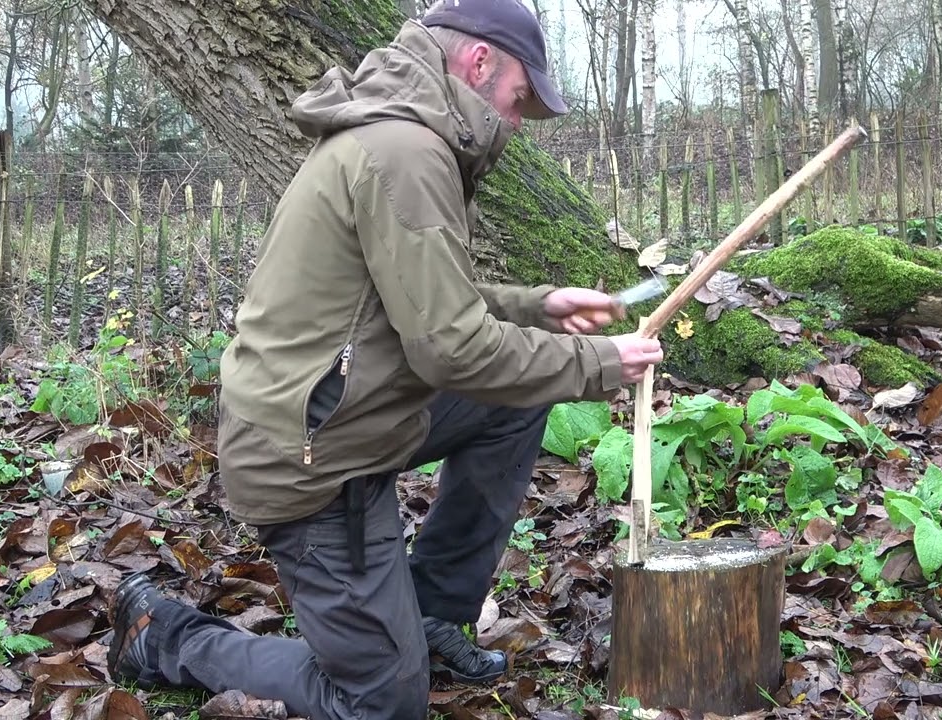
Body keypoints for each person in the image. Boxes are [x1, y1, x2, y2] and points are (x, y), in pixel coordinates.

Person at [103, 1, 664, 718]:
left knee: (518, 395)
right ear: (479, 63)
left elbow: (410, 299)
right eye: (521, 99)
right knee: (381, 704)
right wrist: (599, 362)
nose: (519, 122)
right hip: (306, 456)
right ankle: (166, 637)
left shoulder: (405, 134)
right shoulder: (407, 151)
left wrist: (535, 307)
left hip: (346, 412)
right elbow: (452, 347)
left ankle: (423, 618)